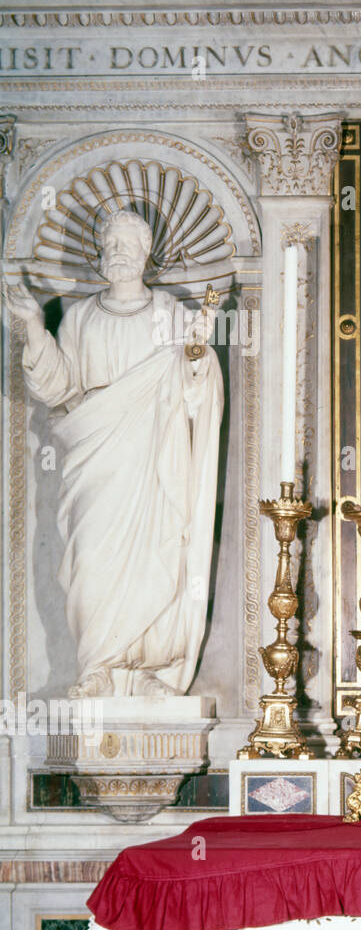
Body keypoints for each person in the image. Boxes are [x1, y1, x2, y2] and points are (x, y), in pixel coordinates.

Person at [5, 209, 223, 697]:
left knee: (157, 551)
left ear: (146, 253)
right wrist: (35, 327)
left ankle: (146, 670)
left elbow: (194, 393)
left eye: (130, 243)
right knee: (91, 560)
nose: (120, 251)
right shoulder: (80, 317)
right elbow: (56, 387)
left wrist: (195, 359)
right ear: (101, 251)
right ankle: (97, 666)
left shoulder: (171, 313)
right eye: (113, 243)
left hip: (154, 455)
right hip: (94, 455)